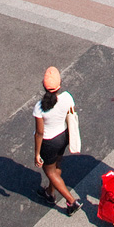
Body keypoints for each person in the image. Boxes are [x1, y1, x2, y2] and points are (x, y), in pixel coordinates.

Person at [33, 66, 79, 213]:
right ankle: (50, 193)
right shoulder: (67, 97)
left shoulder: (39, 107)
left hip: (49, 142)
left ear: (43, 85)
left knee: (50, 171)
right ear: (60, 85)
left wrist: (37, 153)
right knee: (56, 165)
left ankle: (71, 201)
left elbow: (39, 133)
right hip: (63, 137)